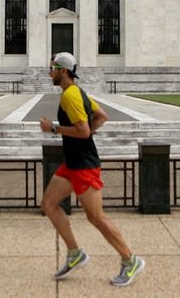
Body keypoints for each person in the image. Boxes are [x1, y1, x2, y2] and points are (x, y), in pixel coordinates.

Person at [39, 52, 145, 287]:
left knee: (96, 217)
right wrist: (83, 136)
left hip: (84, 166)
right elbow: (101, 116)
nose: (49, 73)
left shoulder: (71, 96)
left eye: (52, 68)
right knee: (48, 204)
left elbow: (84, 130)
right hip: (72, 163)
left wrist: (54, 129)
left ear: (63, 71)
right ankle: (75, 253)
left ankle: (130, 260)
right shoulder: (77, 92)